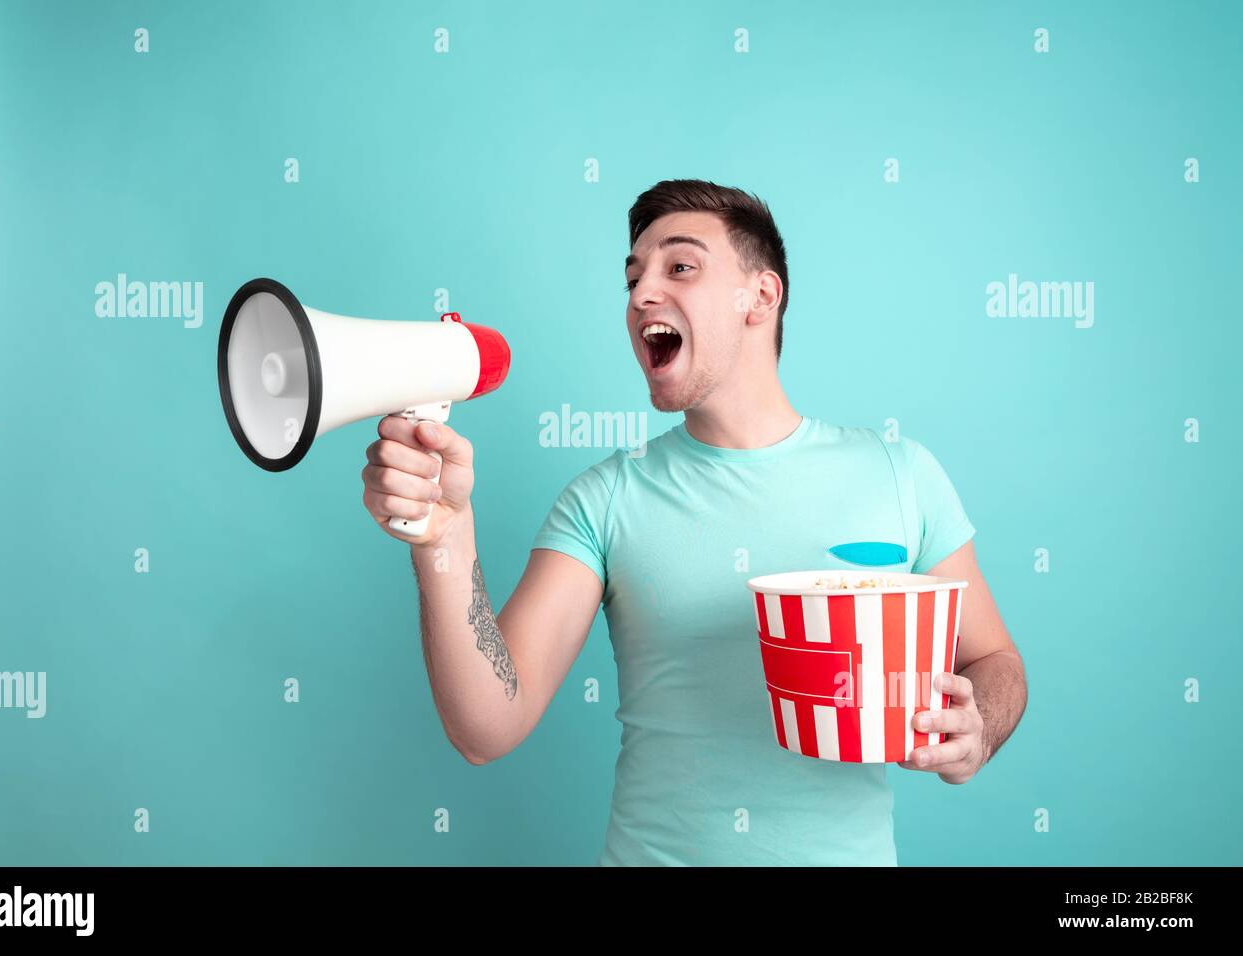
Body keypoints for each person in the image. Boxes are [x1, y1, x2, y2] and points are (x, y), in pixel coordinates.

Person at [361, 179, 1027, 866]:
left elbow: (996, 661)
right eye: (633, 277)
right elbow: (486, 728)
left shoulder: (900, 474)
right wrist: (444, 538)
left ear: (761, 298)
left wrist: (978, 725)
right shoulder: (605, 499)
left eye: (679, 267)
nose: (642, 293)